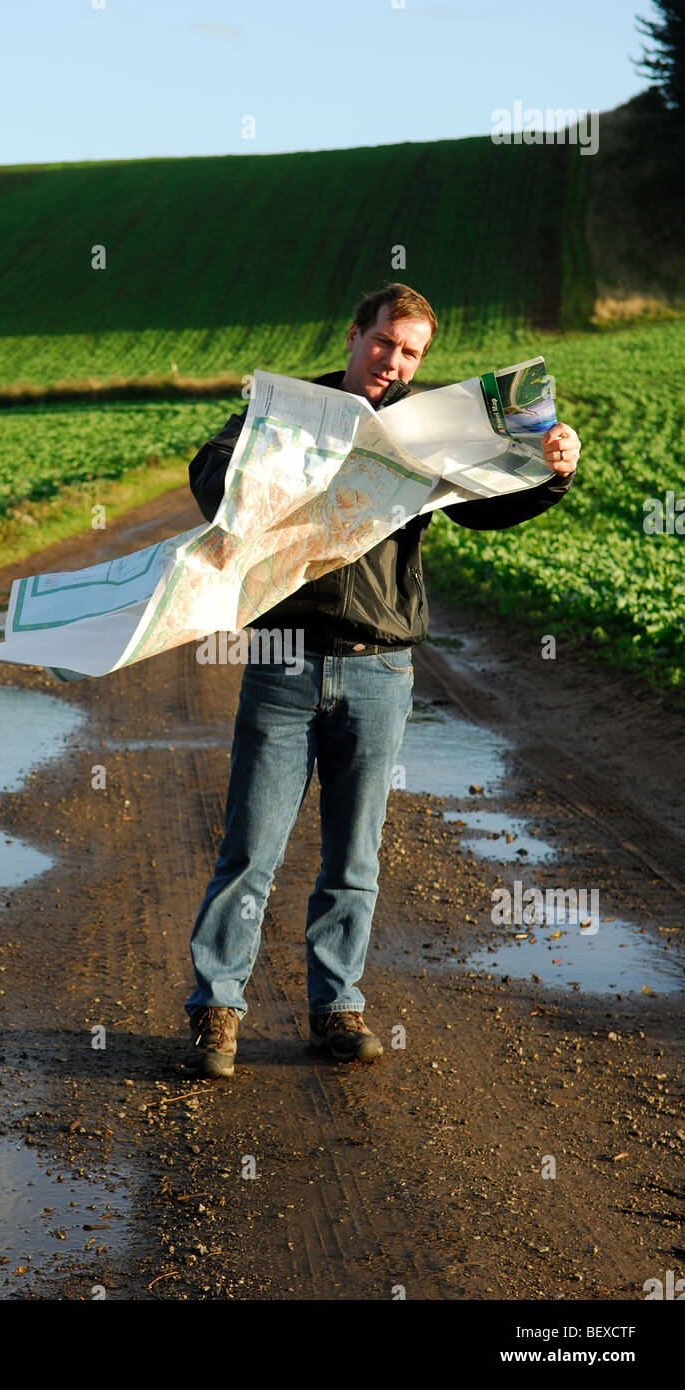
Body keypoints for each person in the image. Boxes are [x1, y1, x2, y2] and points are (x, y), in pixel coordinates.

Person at [184, 283, 580, 1077]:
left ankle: (336, 1009)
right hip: (282, 660)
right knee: (250, 849)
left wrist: (551, 474)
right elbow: (210, 471)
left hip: (380, 667)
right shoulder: (292, 413)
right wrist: (252, 467)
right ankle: (217, 1012)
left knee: (353, 857)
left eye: (411, 353)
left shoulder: (425, 429)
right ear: (355, 335)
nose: (394, 363)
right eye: (384, 343)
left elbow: (481, 507)